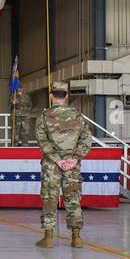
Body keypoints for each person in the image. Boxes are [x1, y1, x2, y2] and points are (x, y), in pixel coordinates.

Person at [34, 81, 93, 248]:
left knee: (49, 198)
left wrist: (57, 159)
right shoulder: (78, 116)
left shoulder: (43, 117)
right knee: (73, 198)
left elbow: (42, 141)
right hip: (72, 165)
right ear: (67, 96)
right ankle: (76, 238)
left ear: (51, 96)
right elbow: (86, 140)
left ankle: (48, 237)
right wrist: (74, 159)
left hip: (51, 166)